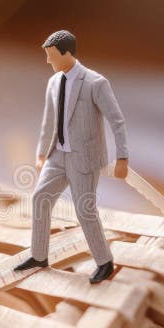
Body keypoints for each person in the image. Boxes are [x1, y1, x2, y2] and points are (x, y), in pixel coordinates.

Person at [13, 30, 130, 284]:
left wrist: (122, 158)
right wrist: (42, 152)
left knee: (84, 210)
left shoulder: (95, 83)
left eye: (51, 56)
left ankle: (104, 262)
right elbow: (49, 121)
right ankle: (39, 255)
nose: (47, 61)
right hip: (57, 155)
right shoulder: (54, 82)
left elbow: (117, 121)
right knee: (40, 198)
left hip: (84, 158)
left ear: (67, 53)